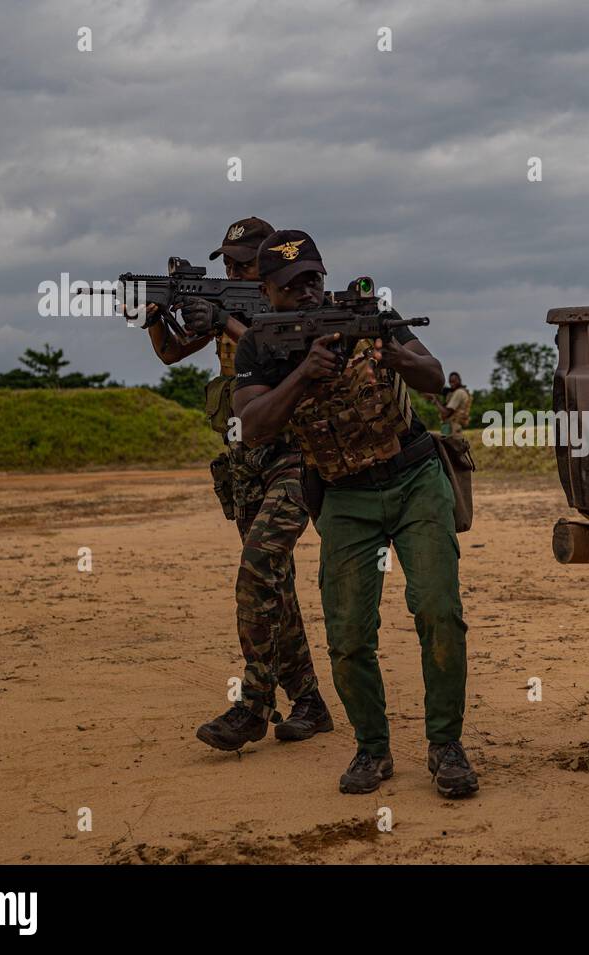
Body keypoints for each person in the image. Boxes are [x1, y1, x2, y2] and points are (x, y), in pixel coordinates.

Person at [232, 230, 478, 797]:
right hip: (343, 495)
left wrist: (395, 354)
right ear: (267, 291)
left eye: (314, 278)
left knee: (439, 609)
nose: (309, 292)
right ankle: (373, 748)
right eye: (293, 286)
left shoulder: (367, 314)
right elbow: (252, 425)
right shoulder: (261, 348)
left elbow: (435, 376)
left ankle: (446, 745)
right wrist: (304, 374)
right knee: (347, 635)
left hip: (415, 476)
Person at [149, 217, 334, 750]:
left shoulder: (296, 306)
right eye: (226, 264)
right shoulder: (228, 305)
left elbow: (283, 352)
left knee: (258, 568)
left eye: (243, 264)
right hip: (246, 457)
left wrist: (227, 318)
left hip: (296, 453)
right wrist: (156, 318)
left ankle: (254, 705)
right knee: (273, 580)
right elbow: (169, 354)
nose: (231, 271)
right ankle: (308, 701)